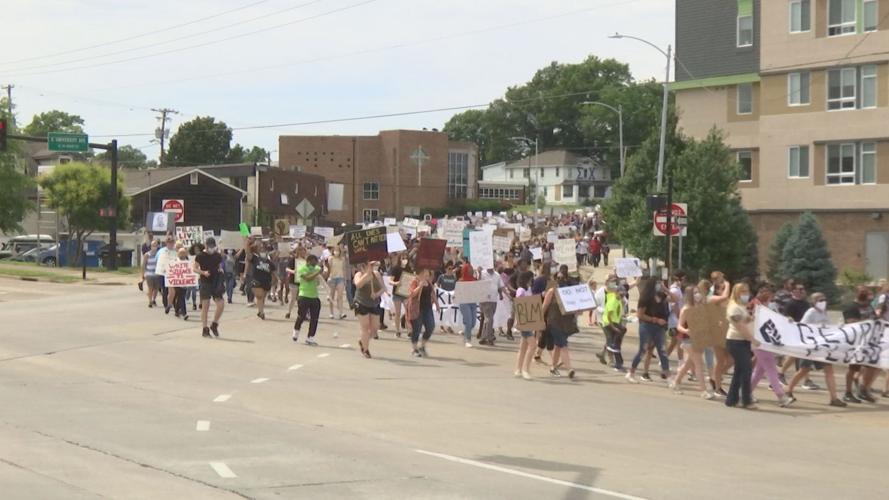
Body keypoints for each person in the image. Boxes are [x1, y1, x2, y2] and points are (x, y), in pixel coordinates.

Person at [784, 292, 847, 407]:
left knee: (829, 370)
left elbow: (826, 328)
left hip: (822, 346)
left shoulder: (824, 313)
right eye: (820, 300)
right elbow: (803, 326)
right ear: (813, 302)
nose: (823, 302)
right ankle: (788, 391)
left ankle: (834, 398)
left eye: (824, 299)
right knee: (804, 370)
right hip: (810, 346)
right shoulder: (811, 313)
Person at [748, 283, 794, 407]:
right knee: (771, 368)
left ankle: (746, 392)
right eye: (768, 293)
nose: (771, 296)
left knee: (759, 370)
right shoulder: (755, 305)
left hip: (767, 341)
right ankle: (781, 396)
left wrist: (786, 320)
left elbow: (776, 318)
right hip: (759, 341)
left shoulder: (769, 306)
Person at [670, 286, 715, 399]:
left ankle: (676, 381)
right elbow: (679, 325)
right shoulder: (686, 309)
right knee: (698, 364)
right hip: (689, 340)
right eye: (695, 293)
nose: (698, 295)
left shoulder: (702, 307)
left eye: (699, 292)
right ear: (690, 295)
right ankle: (703, 391)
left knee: (689, 363)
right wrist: (686, 330)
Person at [627, 279, 671, 383]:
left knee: (662, 351)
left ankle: (669, 376)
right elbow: (640, 314)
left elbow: (675, 298)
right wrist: (655, 320)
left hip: (659, 328)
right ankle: (631, 372)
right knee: (642, 350)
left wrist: (666, 289)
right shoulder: (645, 298)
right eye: (657, 284)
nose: (659, 286)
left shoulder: (661, 296)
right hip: (646, 327)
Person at [778, 283, 820, 390]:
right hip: (795, 333)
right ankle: (782, 373)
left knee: (803, 355)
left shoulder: (806, 303)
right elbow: (786, 317)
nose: (803, 291)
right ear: (793, 291)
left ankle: (805, 379)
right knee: (795, 355)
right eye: (800, 289)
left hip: (806, 333)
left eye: (803, 289)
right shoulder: (791, 304)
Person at [724, 283, 757, 409]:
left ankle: (731, 399)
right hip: (735, 341)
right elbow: (740, 326)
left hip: (743, 341)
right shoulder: (733, 308)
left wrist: (753, 318)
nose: (745, 294)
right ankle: (747, 400)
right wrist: (753, 339)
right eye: (742, 291)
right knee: (746, 370)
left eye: (747, 291)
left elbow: (746, 321)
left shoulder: (741, 307)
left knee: (739, 371)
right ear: (736, 292)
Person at [542, 265, 577, 378]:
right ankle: (569, 369)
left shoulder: (568, 292)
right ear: (556, 279)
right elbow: (544, 307)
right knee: (563, 345)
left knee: (558, 345)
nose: (562, 280)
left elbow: (575, 307)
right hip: (554, 322)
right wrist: (538, 322)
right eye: (559, 278)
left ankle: (553, 367)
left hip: (565, 323)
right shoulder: (552, 291)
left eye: (563, 278)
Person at [353, 261, 385, 358]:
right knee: (365, 327)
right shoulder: (359, 275)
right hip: (361, 302)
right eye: (369, 265)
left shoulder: (376, 274)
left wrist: (376, 294)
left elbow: (383, 288)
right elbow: (358, 285)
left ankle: (363, 340)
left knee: (375, 327)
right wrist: (366, 274)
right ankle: (365, 349)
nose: (372, 267)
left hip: (374, 303)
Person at [194, 237, 225, 338]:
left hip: (216, 281)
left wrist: (220, 270)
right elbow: (194, 268)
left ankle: (214, 324)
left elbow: (219, 265)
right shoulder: (200, 256)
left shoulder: (217, 255)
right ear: (206, 246)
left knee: (220, 304)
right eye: (209, 247)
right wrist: (203, 272)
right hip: (205, 281)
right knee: (205, 306)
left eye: (213, 246)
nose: (211, 249)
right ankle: (205, 328)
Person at [292, 254, 323, 345]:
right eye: (314, 261)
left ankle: (310, 337)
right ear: (309, 261)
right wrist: (317, 272)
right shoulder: (302, 269)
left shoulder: (316, 268)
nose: (316, 263)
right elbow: (308, 278)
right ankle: (296, 331)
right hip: (304, 295)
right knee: (301, 316)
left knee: (314, 318)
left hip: (314, 296)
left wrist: (325, 270)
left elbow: (323, 275)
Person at [407, 268, 436, 357]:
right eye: (425, 274)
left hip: (427, 308)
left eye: (428, 274)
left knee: (430, 326)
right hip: (417, 308)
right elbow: (412, 294)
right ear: (420, 274)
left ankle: (422, 346)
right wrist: (420, 286)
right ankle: (414, 348)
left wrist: (437, 303)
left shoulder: (429, 282)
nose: (427, 276)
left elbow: (432, 293)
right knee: (417, 329)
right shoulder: (414, 281)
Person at [513, 271, 536, 380]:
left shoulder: (529, 289)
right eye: (531, 278)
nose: (532, 280)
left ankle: (518, 368)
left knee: (523, 347)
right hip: (524, 321)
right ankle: (525, 369)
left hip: (529, 320)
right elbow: (519, 305)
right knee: (533, 345)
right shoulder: (521, 290)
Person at [601, 280, 627, 372]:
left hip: (615, 322)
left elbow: (618, 313)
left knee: (617, 341)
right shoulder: (613, 301)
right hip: (609, 323)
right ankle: (617, 362)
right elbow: (609, 316)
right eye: (621, 294)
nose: (622, 296)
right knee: (616, 342)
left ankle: (617, 360)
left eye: (624, 295)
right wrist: (614, 328)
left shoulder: (618, 300)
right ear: (617, 292)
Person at [245, 240, 275, 320]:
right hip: (256, 280)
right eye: (261, 250)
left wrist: (275, 280)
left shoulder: (269, 262)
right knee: (259, 296)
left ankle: (260, 310)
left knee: (262, 297)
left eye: (264, 250)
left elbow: (273, 272)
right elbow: (248, 253)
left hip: (266, 281)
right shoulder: (254, 258)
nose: (262, 251)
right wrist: (247, 243)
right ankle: (261, 312)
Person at [456, 259, 478, 348]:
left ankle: (465, 332)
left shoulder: (474, 280)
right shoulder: (460, 281)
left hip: (473, 303)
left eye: (471, 269)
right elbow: (457, 293)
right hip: (464, 303)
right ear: (465, 270)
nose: (471, 270)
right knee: (469, 322)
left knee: (473, 323)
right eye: (469, 269)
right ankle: (467, 340)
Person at [478, 267, 501, 346]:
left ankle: (483, 337)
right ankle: (489, 338)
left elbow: (500, 286)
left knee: (488, 319)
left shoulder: (497, 275)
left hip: (494, 300)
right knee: (489, 318)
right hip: (485, 299)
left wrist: (501, 294)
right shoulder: (482, 273)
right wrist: (479, 274)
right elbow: (478, 284)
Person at [326, 246, 347, 320]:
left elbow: (344, 269)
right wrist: (328, 278)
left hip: (340, 278)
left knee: (340, 296)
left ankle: (341, 312)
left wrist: (345, 279)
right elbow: (329, 268)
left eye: (338, 250)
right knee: (332, 296)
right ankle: (331, 313)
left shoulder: (342, 259)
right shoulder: (330, 258)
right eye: (335, 250)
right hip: (332, 278)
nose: (336, 252)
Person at [141, 240, 160, 308]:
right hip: (149, 274)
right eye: (153, 245)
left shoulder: (159, 254)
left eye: (155, 245)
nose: (154, 247)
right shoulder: (147, 254)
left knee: (156, 288)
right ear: (151, 246)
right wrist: (143, 274)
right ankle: (150, 301)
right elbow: (143, 265)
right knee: (150, 288)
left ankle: (154, 299)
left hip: (157, 274)